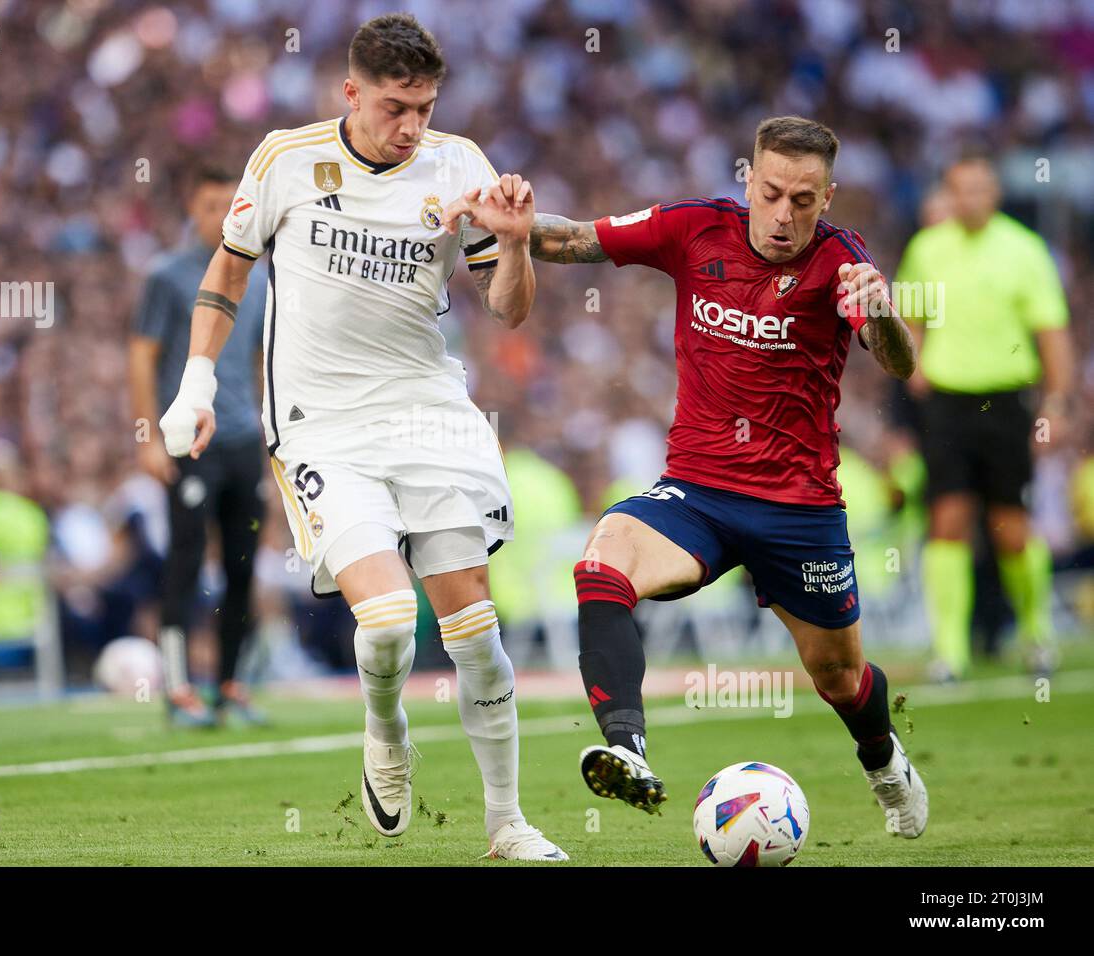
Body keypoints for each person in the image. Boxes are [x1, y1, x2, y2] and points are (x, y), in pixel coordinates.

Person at [157, 14, 565, 860]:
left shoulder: (461, 166)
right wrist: (196, 384)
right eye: (393, 107)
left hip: (429, 416)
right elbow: (226, 273)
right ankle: (386, 729)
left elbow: (508, 306)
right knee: (385, 625)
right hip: (323, 427)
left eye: (423, 107)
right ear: (351, 92)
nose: (410, 126)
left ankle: (506, 822)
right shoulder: (284, 160)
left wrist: (518, 246)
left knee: (475, 637)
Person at [452, 115, 928, 842]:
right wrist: (510, 226)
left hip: (799, 511)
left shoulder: (843, 264)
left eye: (804, 200)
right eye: (773, 192)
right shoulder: (693, 228)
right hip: (698, 492)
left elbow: (897, 363)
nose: (784, 213)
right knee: (603, 555)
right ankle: (626, 747)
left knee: (839, 678)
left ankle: (882, 756)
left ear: (827, 197)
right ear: (749, 179)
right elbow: (573, 238)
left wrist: (885, 311)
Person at [896, 151, 1074, 680]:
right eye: (960, 188)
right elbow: (907, 319)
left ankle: (1037, 635)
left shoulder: (1024, 250)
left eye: (979, 188)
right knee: (946, 519)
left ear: (994, 193)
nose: (970, 198)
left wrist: (1058, 402)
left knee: (1010, 527)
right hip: (947, 401)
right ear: (948, 194)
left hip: (1006, 400)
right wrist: (914, 372)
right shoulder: (927, 248)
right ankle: (949, 652)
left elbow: (1052, 333)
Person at [130, 165, 269, 725]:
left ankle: (231, 684)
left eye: (229, 204)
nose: (221, 215)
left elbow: (260, 357)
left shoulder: (258, 277)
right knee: (185, 564)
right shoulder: (167, 275)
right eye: (210, 204)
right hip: (189, 439)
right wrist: (146, 436)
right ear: (193, 207)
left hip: (242, 439)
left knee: (243, 564)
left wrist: (271, 430)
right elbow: (142, 355)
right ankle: (179, 688)